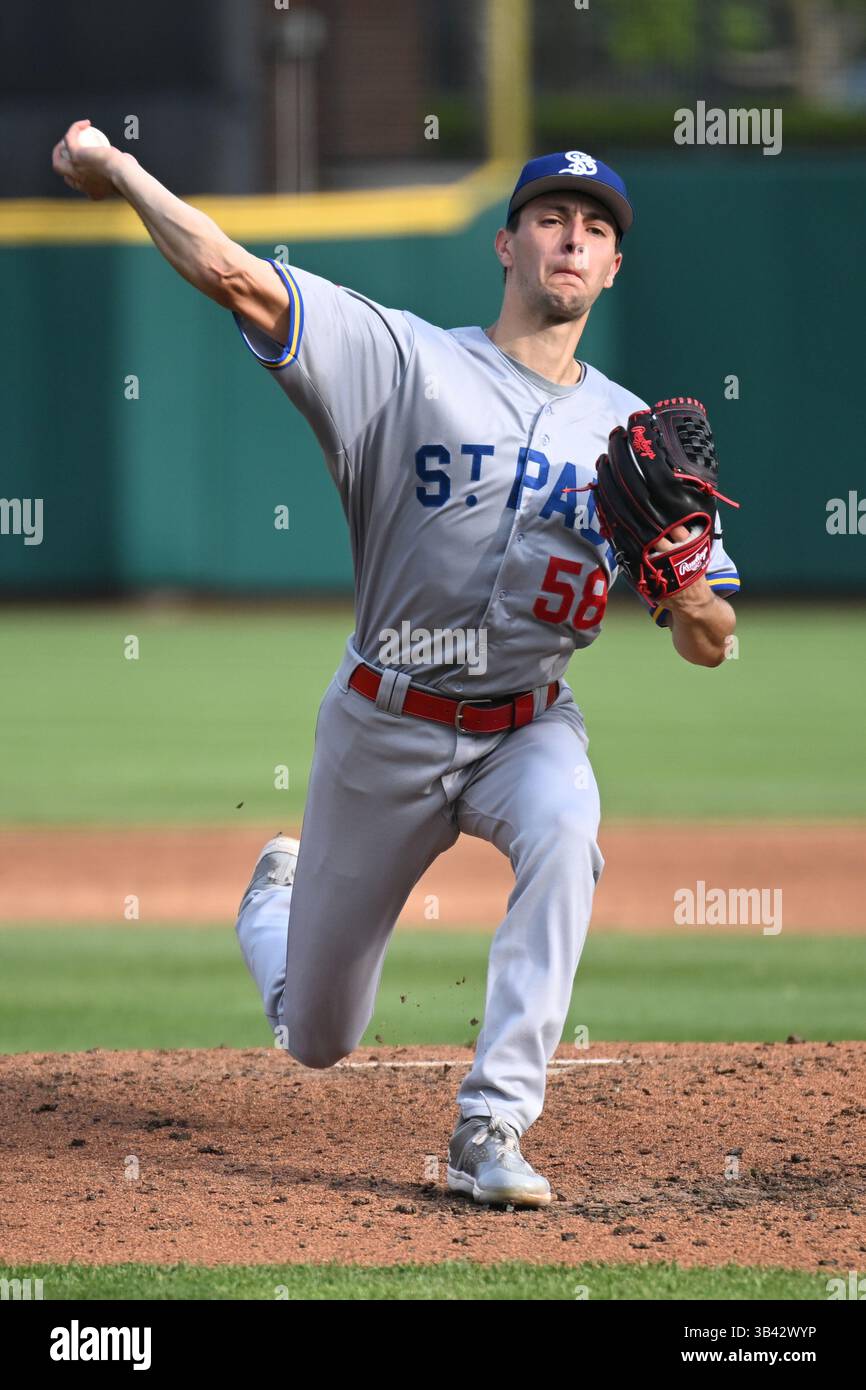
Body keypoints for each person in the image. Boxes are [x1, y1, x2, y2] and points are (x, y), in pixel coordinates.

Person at [52, 130, 739, 1208]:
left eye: (596, 228)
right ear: (506, 243)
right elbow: (235, 274)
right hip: (384, 725)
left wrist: (684, 584)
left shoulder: (631, 434)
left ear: (611, 268)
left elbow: (710, 638)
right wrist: (125, 173)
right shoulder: (405, 360)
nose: (572, 237)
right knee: (317, 1035)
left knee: (566, 830)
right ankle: (273, 900)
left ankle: (489, 1124)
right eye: (552, 218)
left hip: (527, 726)